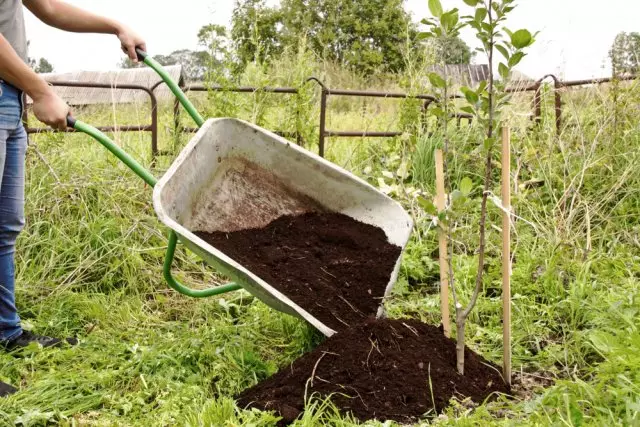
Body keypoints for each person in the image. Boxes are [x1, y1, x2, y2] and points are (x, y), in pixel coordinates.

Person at [0, 0, 146, 396]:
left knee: (5, 228)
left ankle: (6, 332)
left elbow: (46, 6)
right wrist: (40, 88)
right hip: (10, 90)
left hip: (9, 100)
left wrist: (115, 25)